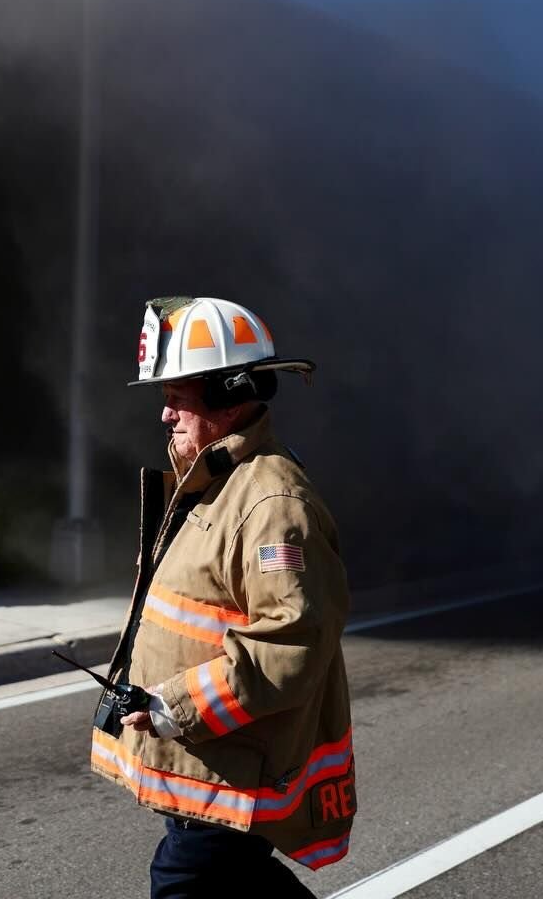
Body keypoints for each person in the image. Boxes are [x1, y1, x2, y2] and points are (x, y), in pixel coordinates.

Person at [89, 297, 355, 898]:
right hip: (209, 754)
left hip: (233, 759)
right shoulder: (211, 482)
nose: (164, 416)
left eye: (176, 398)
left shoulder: (272, 506)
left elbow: (293, 640)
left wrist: (175, 705)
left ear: (229, 396)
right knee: (238, 881)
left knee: (184, 883)